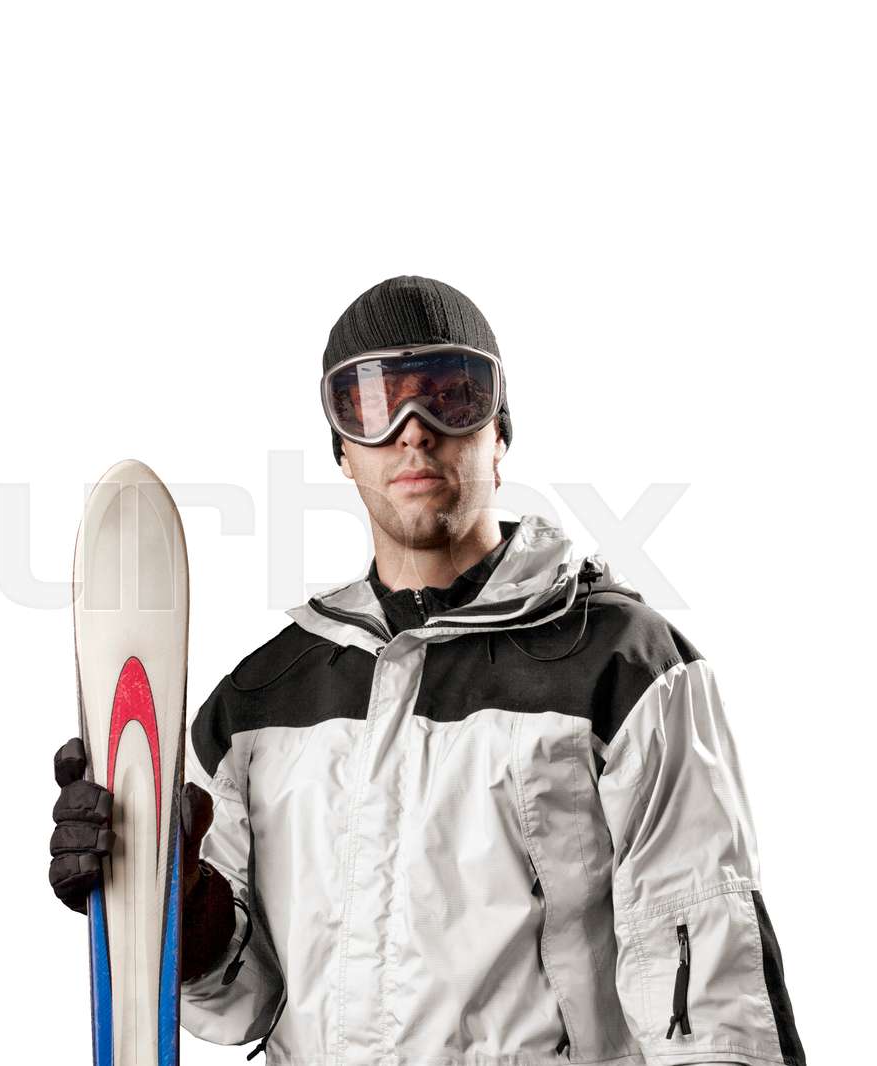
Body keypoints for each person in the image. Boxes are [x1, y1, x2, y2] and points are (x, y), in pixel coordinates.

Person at [48, 276, 805, 1066]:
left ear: (499, 435)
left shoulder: (624, 666)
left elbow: (706, 965)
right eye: (373, 406)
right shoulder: (261, 701)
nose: (414, 432)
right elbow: (245, 1002)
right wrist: (182, 908)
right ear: (343, 449)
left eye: (452, 396)